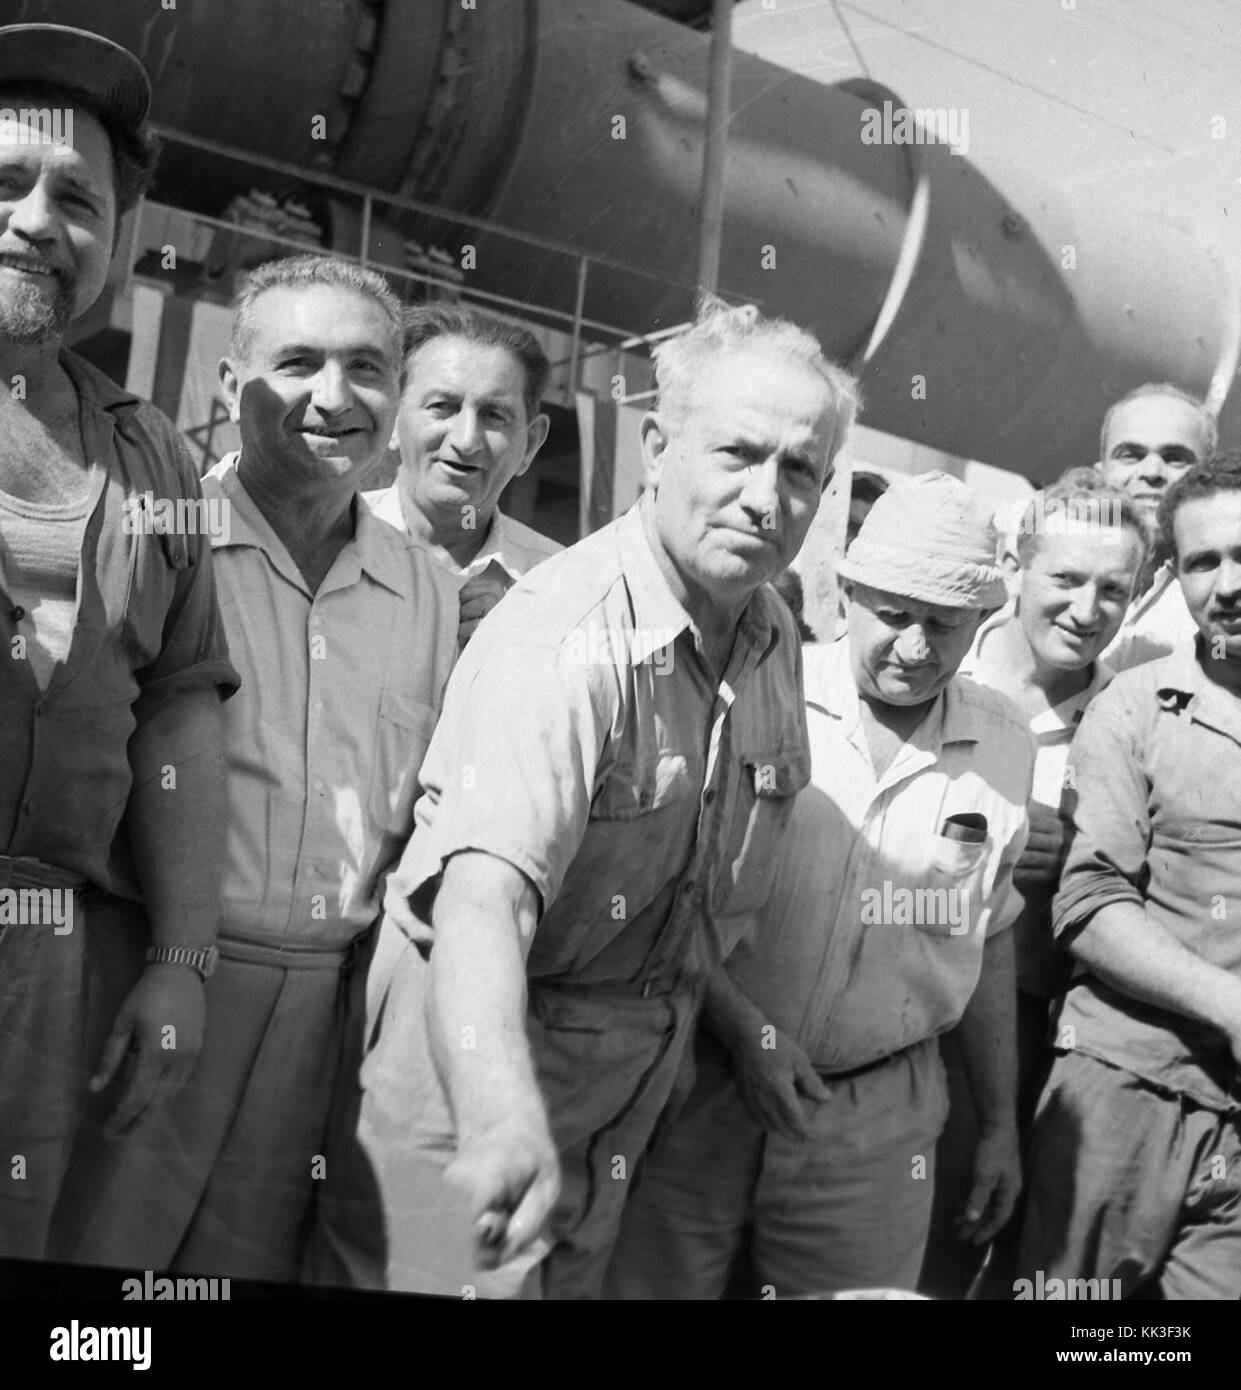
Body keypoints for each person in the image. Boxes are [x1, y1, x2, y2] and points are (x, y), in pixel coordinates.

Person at [310, 298, 860, 1299]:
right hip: (474, 1080)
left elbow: (683, 885)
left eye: (799, 471)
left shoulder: (770, 630)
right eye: (735, 454)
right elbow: (484, 895)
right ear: (655, 445)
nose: (764, 498)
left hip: (623, 1093)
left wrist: (739, 1023)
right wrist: (499, 1113)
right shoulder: (563, 635)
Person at [49, 256, 459, 1281]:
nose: (335, 396)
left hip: (327, 1009)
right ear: (230, 389)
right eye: (298, 362)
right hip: (154, 970)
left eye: (366, 368)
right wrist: (169, 966)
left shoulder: (429, 589)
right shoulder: (155, 534)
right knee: (97, 1270)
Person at [605, 472, 1034, 1300]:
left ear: (983, 621)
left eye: (944, 624)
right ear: (846, 594)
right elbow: (666, 889)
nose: (915, 645)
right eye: (896, 614)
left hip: (877, 1122)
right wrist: (747, 1037)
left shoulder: (1003, 744)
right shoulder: (756, 691)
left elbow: (988, 934)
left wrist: (999, 1125)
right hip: (700, 1086)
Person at [0, 24, 238, 1261]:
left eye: (77, 199)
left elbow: (179, 709)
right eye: (6, 184)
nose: (40, 221)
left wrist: (184, 959)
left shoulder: (154, 459)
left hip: (41, 958)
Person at [1019, 452, 1241, 1300]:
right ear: (1174, 578)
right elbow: (1088, 901)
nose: (1226, 584)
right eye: (1201, 562)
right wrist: (1225, 1005)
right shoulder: (1135, 706)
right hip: (1125, 1090)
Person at [922, 470, 1147, 1298]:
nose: (1086, 609)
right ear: (1016, 567)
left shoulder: (1128, 719)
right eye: (1065, 579)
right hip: (901, 1026)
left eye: (1112, 589)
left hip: (1037, 1048)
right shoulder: (932, 665)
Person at [367, 305, 559, 647]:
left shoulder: (563, 587)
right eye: (443, 406)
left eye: (494, 415)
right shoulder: (326, 544)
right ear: (392, 417)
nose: (467, 439)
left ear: (530, 444)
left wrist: (530, 656)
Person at [1095, 383, 1215, 671]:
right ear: (1100, 475)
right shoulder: (1044, 580)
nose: (1151, 473)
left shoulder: (1227, 594)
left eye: (1175, 458)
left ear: (1210, 479)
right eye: (1131, 455)